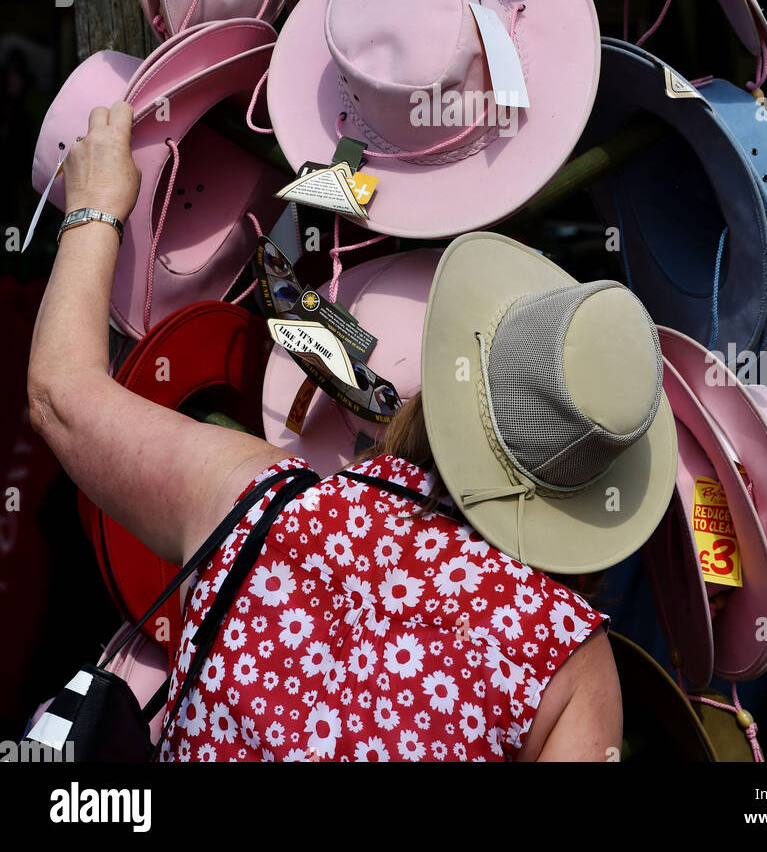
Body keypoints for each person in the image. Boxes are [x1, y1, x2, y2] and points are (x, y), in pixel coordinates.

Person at [27, 103, 672, 762]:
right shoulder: (563, 656)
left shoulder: (255, 503)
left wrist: (96, 205)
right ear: (595, 486)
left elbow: (60, 396)